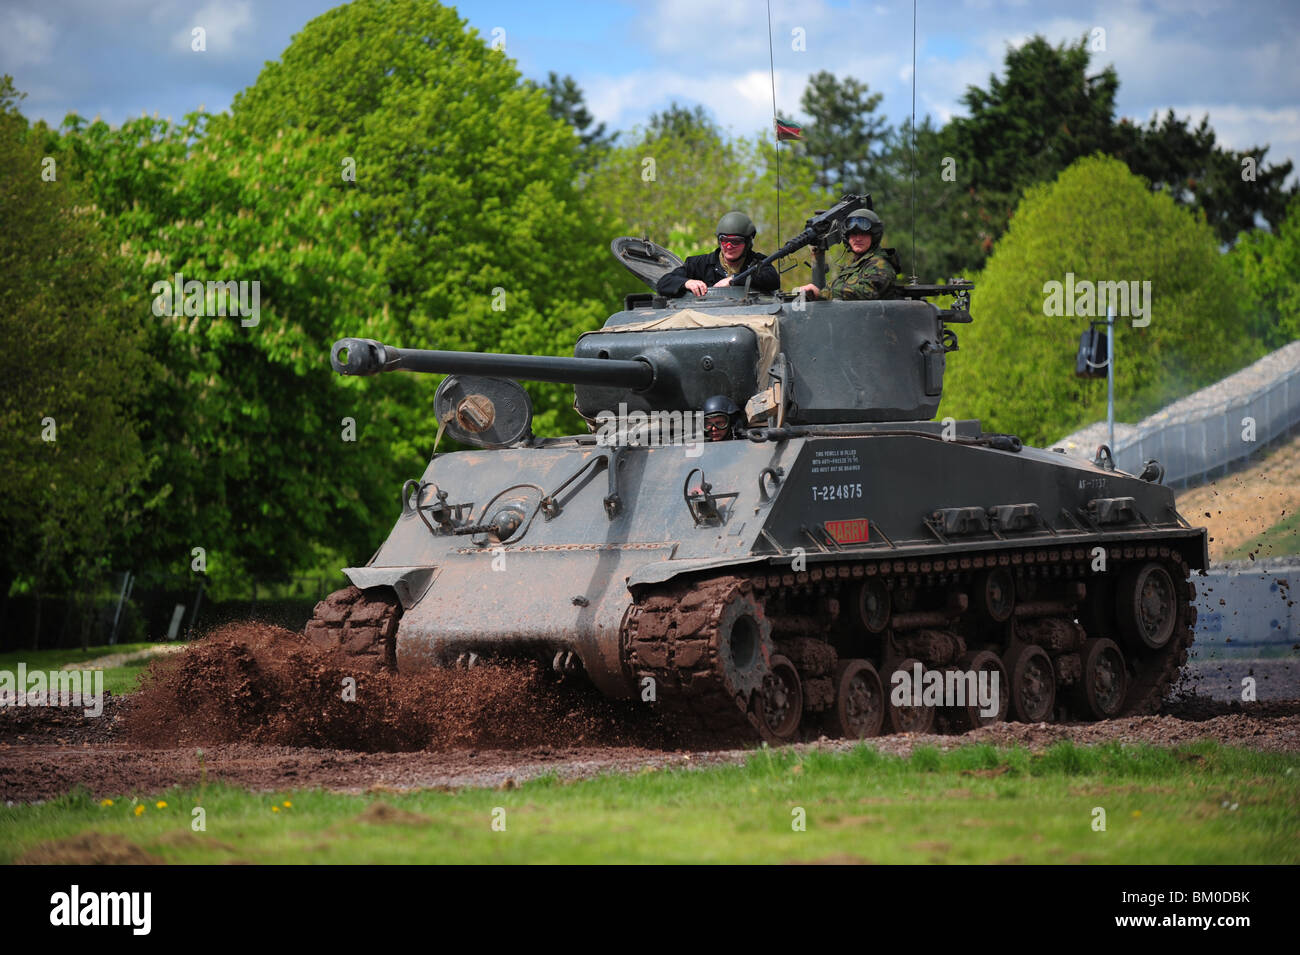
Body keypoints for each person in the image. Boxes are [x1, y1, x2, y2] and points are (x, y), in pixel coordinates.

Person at [657, 212, 781, 298]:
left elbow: (772, 280)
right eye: (724, 240)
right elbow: (664, 283)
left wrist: (734, 280)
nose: (728, 246)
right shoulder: (699, 263)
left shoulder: (758, 262)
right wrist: (686, 282)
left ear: (747, 243)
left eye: (735, 242)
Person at [794, 208, 899, 301]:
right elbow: (833, 289)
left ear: (874, 236)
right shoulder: (854, 266)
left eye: (863, 234)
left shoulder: (880, 265)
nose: (858, 239)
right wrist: (812, 292)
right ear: (847, 238)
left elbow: (866, 292)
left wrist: (822, 294)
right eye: (853, 234)